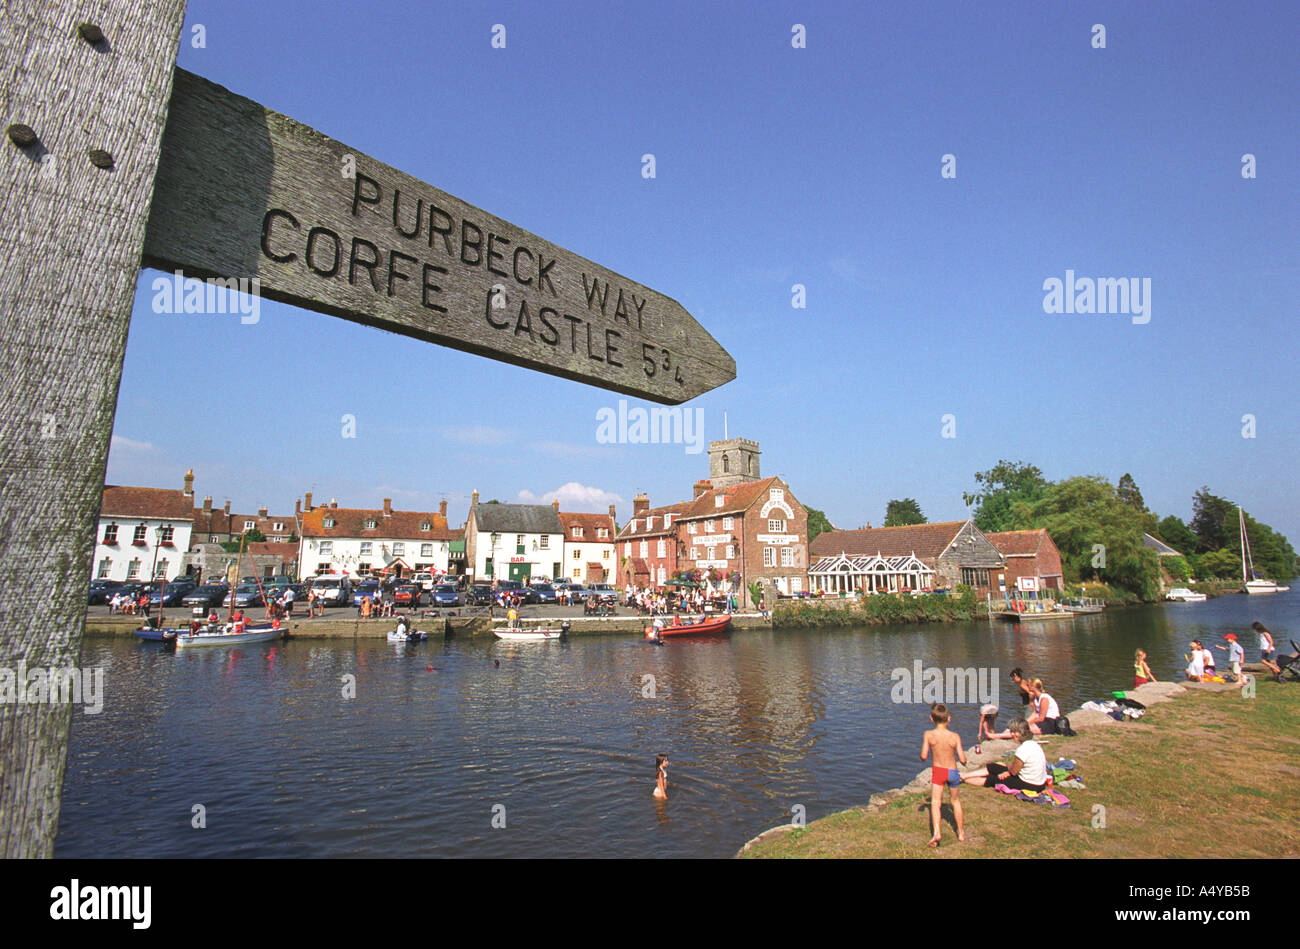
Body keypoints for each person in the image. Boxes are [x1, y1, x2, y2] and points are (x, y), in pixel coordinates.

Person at [920, 703, 966, 847]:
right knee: (955, 801)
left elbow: (923, 756)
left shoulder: (929, 734)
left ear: (931, 719)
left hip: (938, 772)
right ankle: (961, 833)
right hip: (952, 772)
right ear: (949, 719)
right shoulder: (955, 736)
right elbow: (963, 759)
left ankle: (937, 833)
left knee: (935, 802)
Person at [962, 718, 1048, 793]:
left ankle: (963, 779)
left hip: (1031, 785)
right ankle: (965, 775)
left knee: (993, 779)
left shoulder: (1023, 749)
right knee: (993, 767)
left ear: (1022, 732)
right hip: (1040, 783)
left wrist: (1007, 772)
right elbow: (1018, 767)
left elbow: (1014, 771)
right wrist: (1007, 768)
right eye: (1012, 732)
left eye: (1015, 732)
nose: (1012, 734)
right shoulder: (1034, 744)